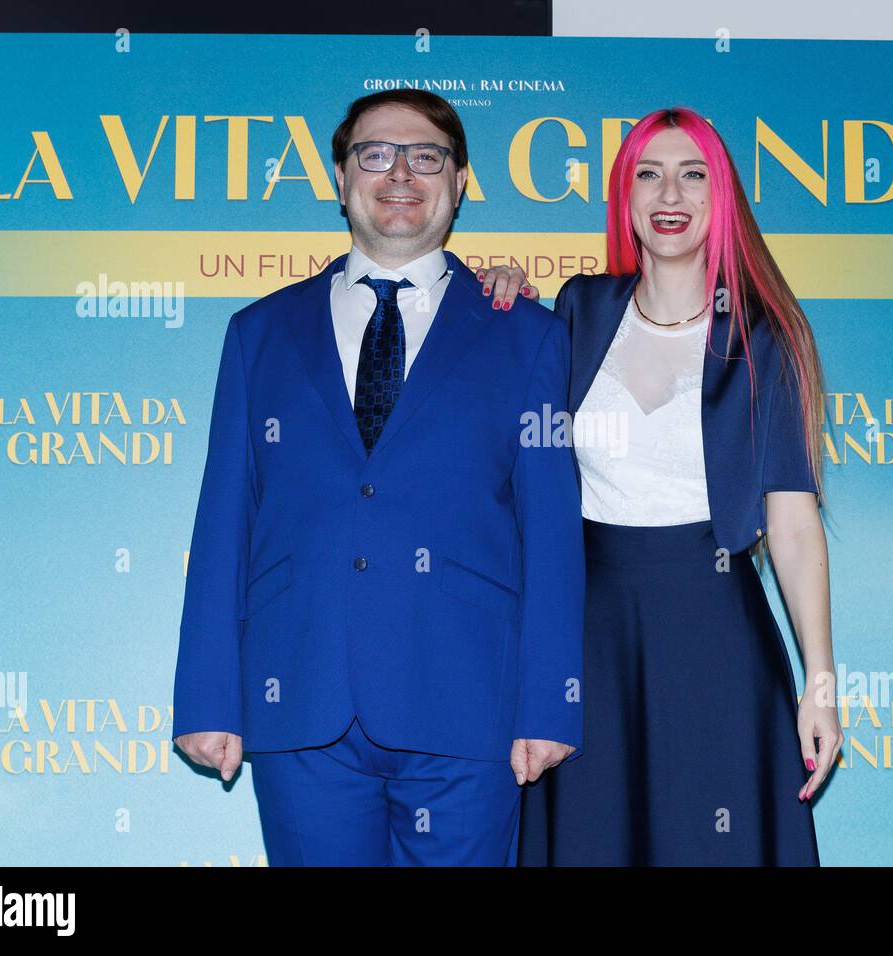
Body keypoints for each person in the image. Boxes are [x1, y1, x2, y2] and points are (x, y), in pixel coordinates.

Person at [170, 89, 585, 866]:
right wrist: (206, 696)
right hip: (298, 700)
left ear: (460, 182)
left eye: (426, 156)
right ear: (340, 177)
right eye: (376, 154)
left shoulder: (527, 335)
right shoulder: (257, 333)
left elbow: (554, 535)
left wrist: (550, 703)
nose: (400, 172)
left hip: (470, 707)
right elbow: (224, 519)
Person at [479, 106, 842, 865]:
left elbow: (794, 523)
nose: (669, 192)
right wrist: (498, 293)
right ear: (625, 197)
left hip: (716, 634)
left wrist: (821, 681)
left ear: (723, 198)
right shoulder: (577, 308)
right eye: (648, 173)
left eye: (692, 173)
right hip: (588, 634)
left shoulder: (765, 335)